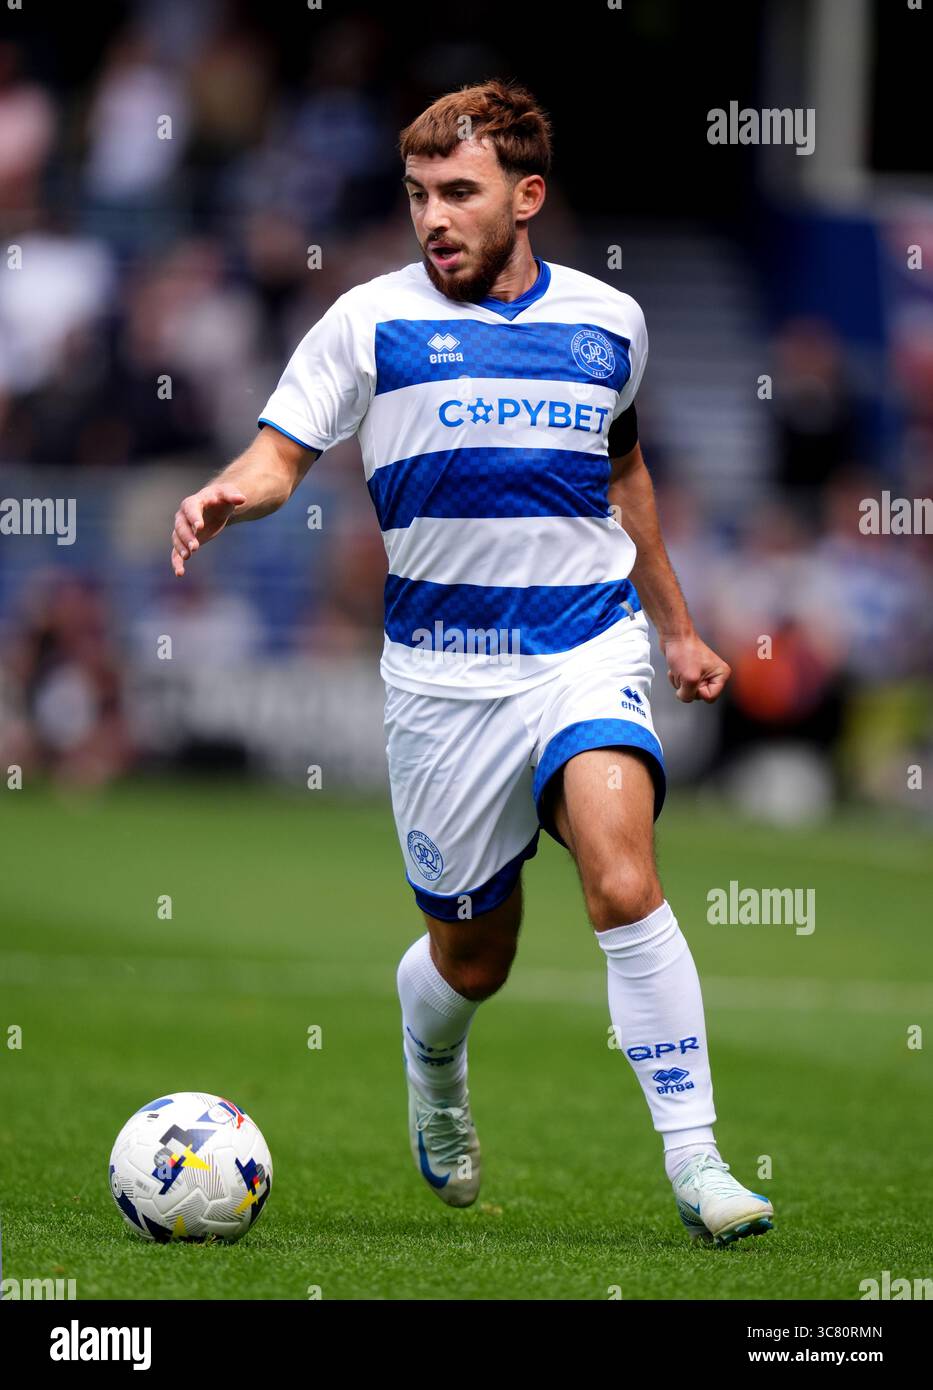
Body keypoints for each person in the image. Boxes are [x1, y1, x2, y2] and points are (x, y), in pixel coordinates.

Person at [170, 79, 774, 1246]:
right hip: (443, 683)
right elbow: (277, 457)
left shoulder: (611, 321)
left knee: (622, 876)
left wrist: (679, 627)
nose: (433, 217)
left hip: (582, 650)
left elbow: (625, 471)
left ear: (526, 197)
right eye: (417, 196)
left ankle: (700, 1160)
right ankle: (433, 1052)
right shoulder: (368, 322)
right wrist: (225, 497)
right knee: (473, 956)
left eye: (459, 193)